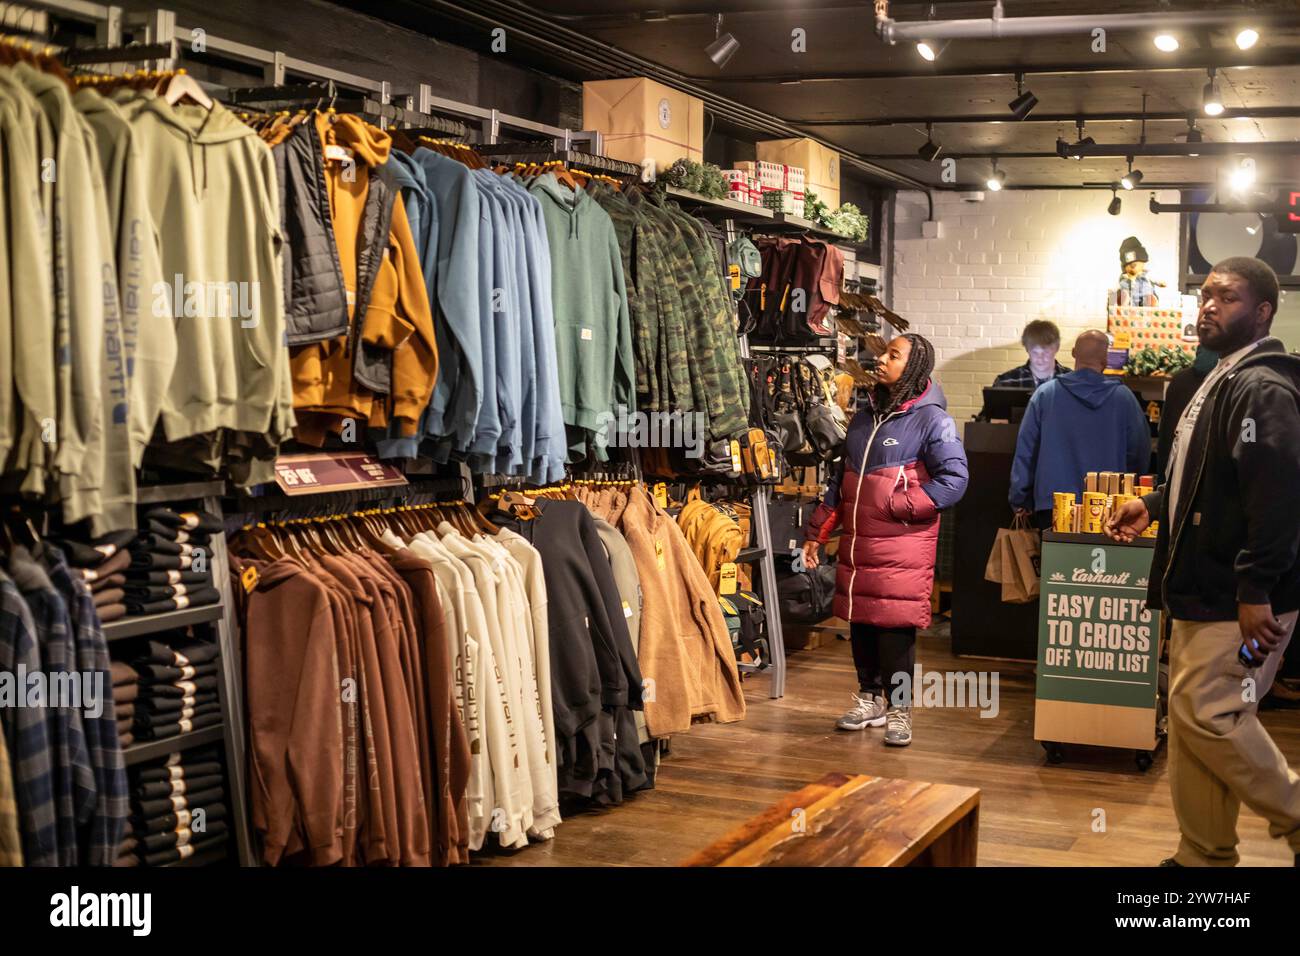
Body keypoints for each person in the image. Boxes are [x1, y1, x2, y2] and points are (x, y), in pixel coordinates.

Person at [1108, 256, 1300, 868]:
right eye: (1206, 295)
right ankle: (1203, 856)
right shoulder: (1222, 379)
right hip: (1201, 586)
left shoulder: (1261, 386)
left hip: (1237, 595)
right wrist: (1153, 503)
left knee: (1209, 711)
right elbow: (1210, 481)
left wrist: (1256, 588)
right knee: (1192, 724)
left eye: (1228, 298)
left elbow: (1277, 496)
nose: (1208, 306)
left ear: (1263, 311)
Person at [801, 334, 968, 746]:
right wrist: (816, 534)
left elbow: (955, 480)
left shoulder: (933, 421)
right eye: (883, 353)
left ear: (913, 368)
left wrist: (898, 505)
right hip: (859, 545)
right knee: (860, 620)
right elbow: (841, 483)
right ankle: (870, 698)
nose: (881, 360)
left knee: (894, 627)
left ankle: (900, 709)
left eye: (893, 355)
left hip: (900, 546)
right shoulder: (864, 415)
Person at [1009, 330, 1151, 529]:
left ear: (1074, 353)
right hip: (1109, 508)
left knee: (1054, 560)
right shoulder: (1124, 398)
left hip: (1052, 506)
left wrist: (1020, 497)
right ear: (1106, 359)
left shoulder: (1045, 395)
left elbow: (1026, 452)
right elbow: (1138, 455)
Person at [1155, 345, 1217, 484]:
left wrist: (1161, 480)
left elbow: (1166, 436)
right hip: (1211, 479)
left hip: (1177, 473)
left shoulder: (1179, 380)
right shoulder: (1229, 380)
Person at [991, 319, 1069, 388]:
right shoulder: (1005, 382)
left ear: (1057, 348)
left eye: (1046, 352)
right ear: (1027, 349)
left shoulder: (1072, 382)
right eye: (1035, 352)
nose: (1040, 358)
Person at [1116, 236, 1164, 307]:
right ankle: (1124, 303)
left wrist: (1160, 283)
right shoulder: (1124, 277)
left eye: (1135, 264)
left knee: (1148, 297)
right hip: (1130, 298)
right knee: (1123, 293)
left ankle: (1150, 303)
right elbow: (1121, 284)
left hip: (1145, 296)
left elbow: (1154, 280)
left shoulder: (1146, 274)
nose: (1132, 267)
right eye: (1128, 265)